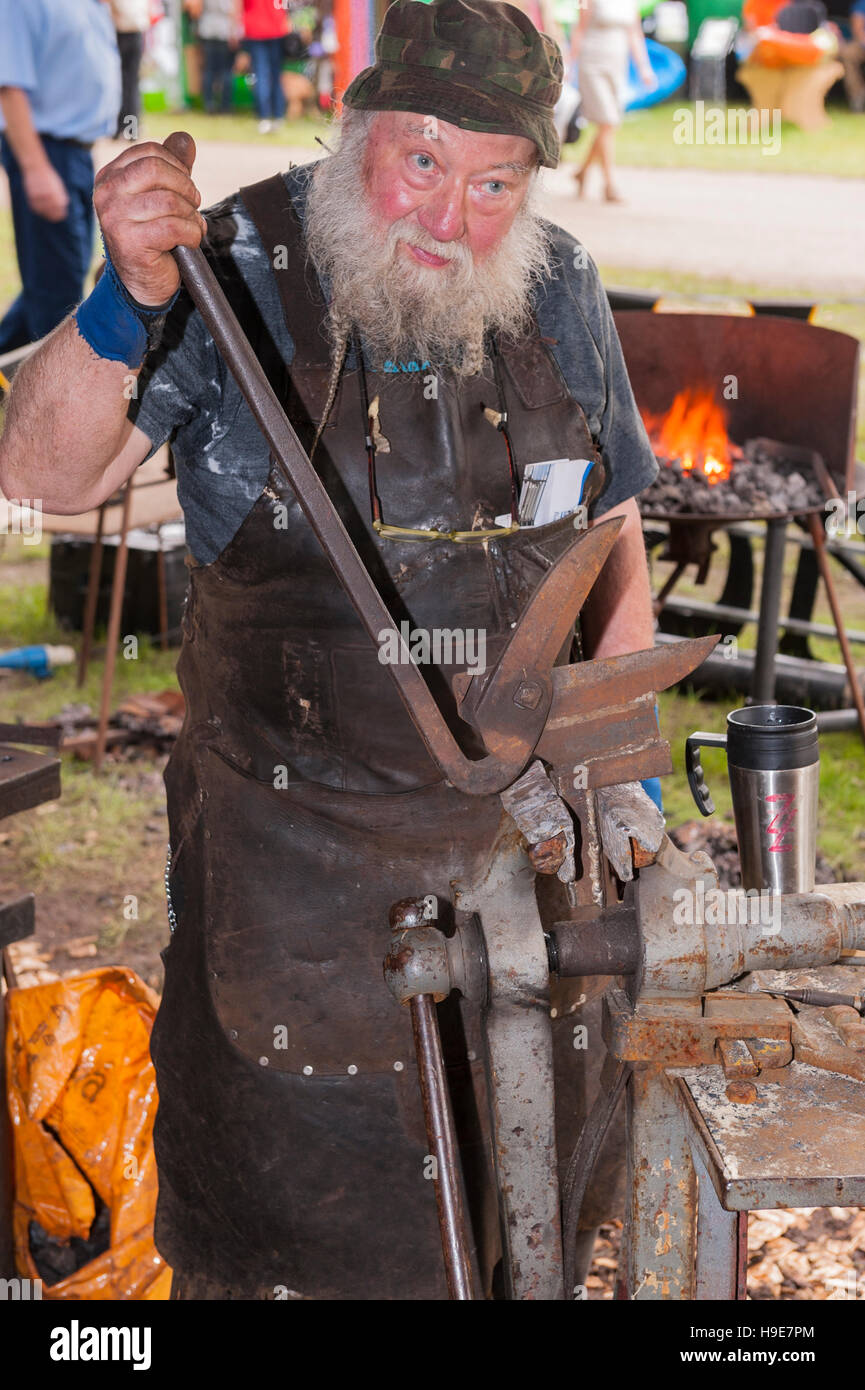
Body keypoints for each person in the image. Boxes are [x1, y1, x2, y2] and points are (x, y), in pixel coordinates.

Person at [0, 0, 659, 1299]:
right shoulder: (232, 262)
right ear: (360, 135)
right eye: (422, 164)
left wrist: (624, 773)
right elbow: (38, 471)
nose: (451, 214)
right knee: (286, 1251)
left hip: (522, 910)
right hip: (284, 916)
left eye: (493, 181)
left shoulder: (559, 283)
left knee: (522, 1237)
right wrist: (125, 302)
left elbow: (610, 528)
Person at [0, 0, 121, 353]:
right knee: (59, 291)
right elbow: (8, 86)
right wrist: (36, 169)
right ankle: (55, 394)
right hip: (45, 150)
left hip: (76, 153)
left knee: (57, 275)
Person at [570, 0, 655, 203]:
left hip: (617, 64)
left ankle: (582, 172)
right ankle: (610, 185)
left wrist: (644, 67)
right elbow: (579, 28)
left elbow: (634, 33)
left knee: (608, 124)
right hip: (592, 62)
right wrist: (568, 63)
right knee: (608, 121)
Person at [187, 0, 244, 114]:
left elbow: (196, 9)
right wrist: (234, 33)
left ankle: (209, 104)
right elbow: (234, 11)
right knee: (226, 71)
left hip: (208, 30)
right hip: (225, 31)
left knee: (209, 70)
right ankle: (225, 106)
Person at [242, 0, 288, 132]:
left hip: (255, 29)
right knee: (276, 75)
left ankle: (264, 116)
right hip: (276, 27)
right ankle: (279, 115)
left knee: (261, 75)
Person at [110, 0, 150, 139]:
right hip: (135, 32)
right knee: (130, 83)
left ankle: (121, 129)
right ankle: (129, 130)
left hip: (121, 32)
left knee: (122, 83)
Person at [840, 0, 865, 111]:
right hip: (862, 44)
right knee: (847, 53)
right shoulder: (861, 4)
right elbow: (858, 28)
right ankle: (857, 97)